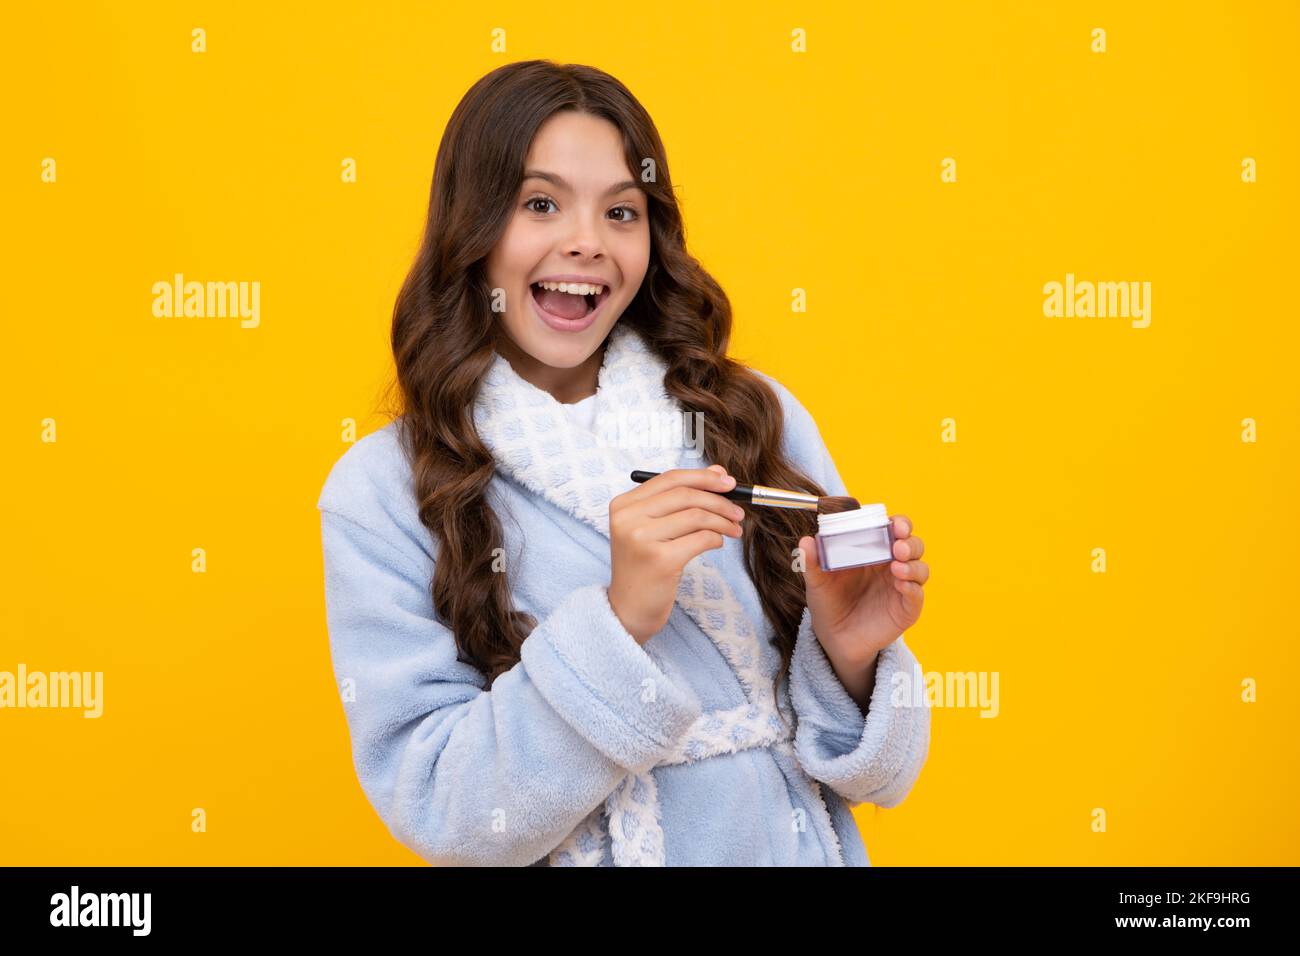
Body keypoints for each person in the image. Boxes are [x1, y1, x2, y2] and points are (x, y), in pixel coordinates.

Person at [318, 60, 931, 866]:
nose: (586, 241)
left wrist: (850, 652)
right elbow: (444, 810)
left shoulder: (750, 417)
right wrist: (619, 619)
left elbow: (872, 775)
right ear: (471, 228)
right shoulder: (384, 492)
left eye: (622, 211)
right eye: (540, 204)